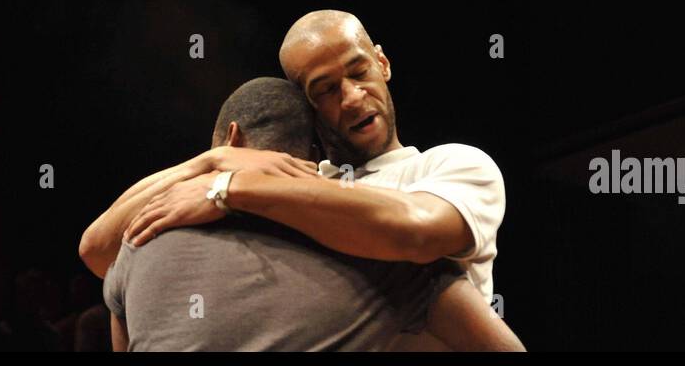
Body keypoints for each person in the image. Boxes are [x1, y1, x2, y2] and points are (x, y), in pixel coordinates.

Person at [101, 77, 521, 351]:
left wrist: (223, 182)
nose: (351, 97)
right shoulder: (359, 248)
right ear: (316, 154)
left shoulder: (139, 245)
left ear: (231, 137)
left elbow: (95, 253)